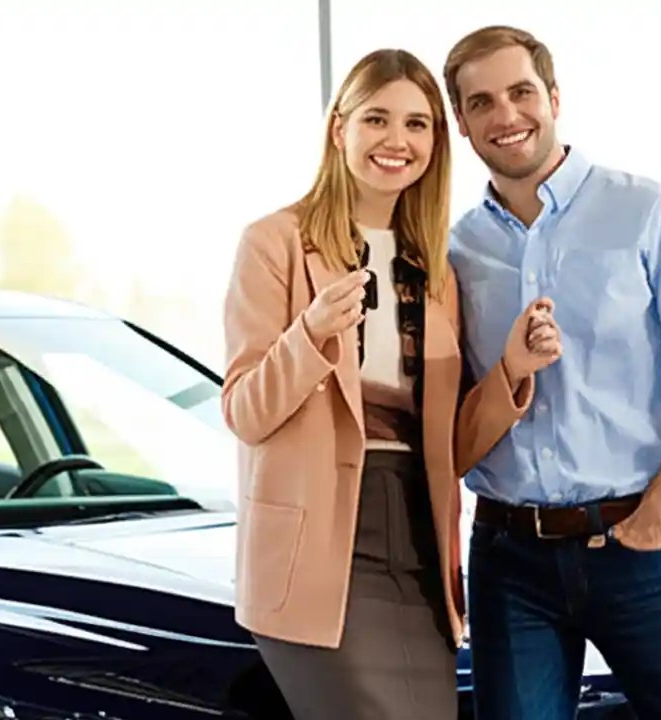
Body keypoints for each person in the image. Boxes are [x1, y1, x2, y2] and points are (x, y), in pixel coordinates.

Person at [221, 48, 563, 720]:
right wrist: (311, 332)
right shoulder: (274, 243)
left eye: (417, 124)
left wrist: (510, 373)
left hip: (417, 545)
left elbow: (449, 449)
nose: (397, 142)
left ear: (437, 142)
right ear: (338, 128)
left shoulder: (433, 266)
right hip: (318, 554)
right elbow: (245, 411)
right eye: (377, 119)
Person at [442, 24, 661, 719]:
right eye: (482, 102)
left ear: (554, 97)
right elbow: (450, 419)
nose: (507, 115)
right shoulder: (455, 252)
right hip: (508, 561)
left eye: (522, 92)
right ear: (461, 123)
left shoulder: (649, 214)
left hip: (641, 546)